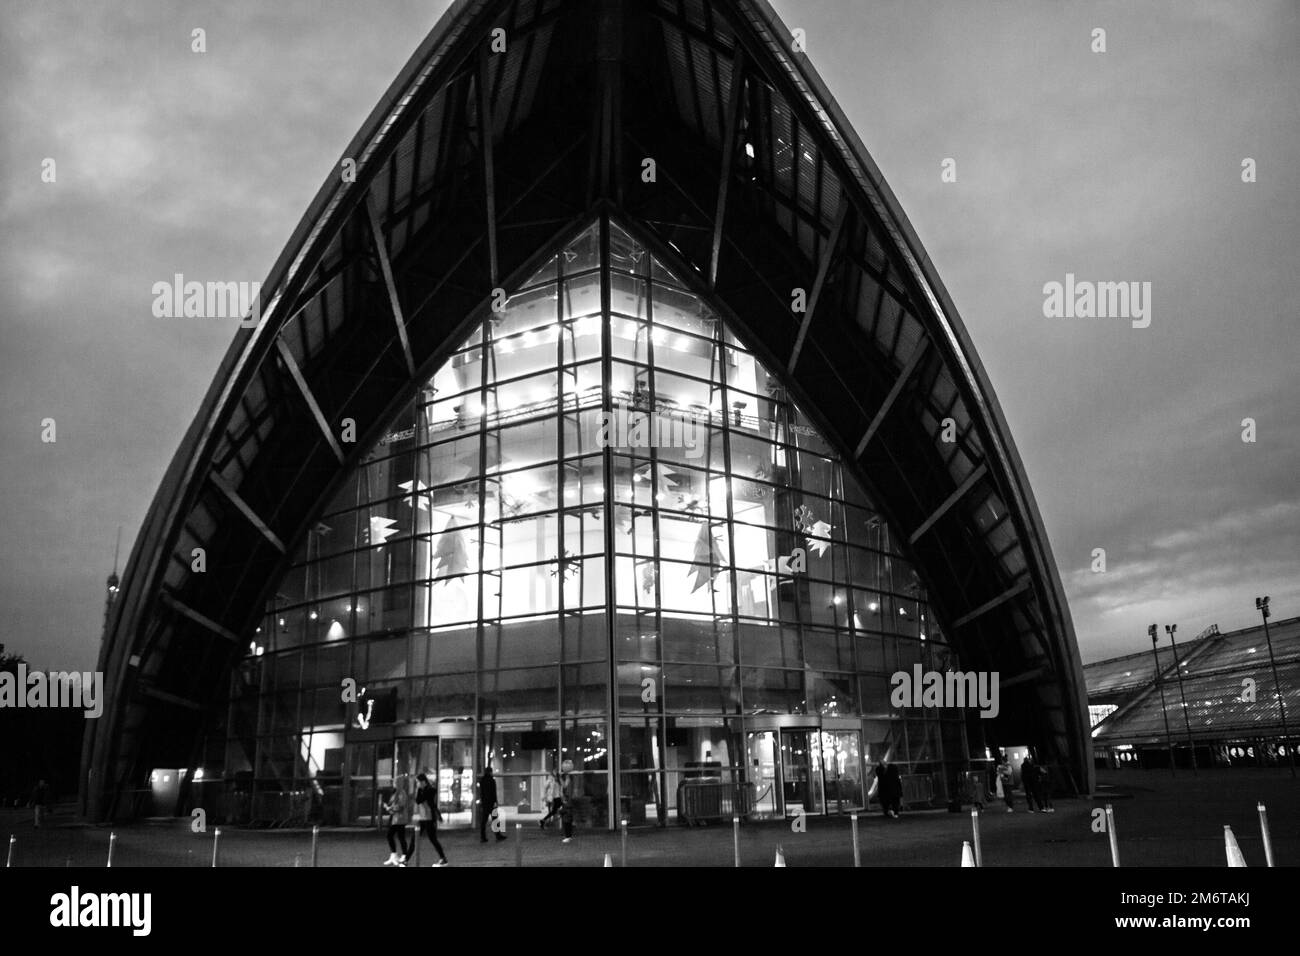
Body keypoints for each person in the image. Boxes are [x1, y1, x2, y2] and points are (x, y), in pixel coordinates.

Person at [414, 770, 448, 866]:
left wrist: (418, 790)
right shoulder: (425, 790)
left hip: (428, 818)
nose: (417, 784)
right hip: (423, 817)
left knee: (433, 839)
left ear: (423, 781)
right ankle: (406, 858)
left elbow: (419, 800)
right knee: (416, 839)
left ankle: (443, 858)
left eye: (418, 782)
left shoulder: (429, 790)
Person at [382, 777, 412, 866]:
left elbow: (400, 806)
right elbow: (395, 804)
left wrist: (389, 808)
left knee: (392, 835)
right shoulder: (397, 792)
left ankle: (399, 855)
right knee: (400, 837)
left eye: (395, 782)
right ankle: (400, 855)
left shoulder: (401, 793)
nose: (394, 784)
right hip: (396, 818)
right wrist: (389, 807)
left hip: (399, 819)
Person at [478, 765, 505, 843]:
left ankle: (483, 837)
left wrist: (482, 802)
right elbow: (493, 793)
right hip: (491, 803)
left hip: (485, 803)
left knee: (484, 821)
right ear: (490, 772)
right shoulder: (492, 780)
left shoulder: (482, 780)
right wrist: (496, 802)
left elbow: (481, 793)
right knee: (495, 820)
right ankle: (498, 835)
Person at [558, 766, 575, 843]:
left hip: (567, 802)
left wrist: (560, 778)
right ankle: (568, 836)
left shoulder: (568, 782)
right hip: (566, 802)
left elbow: (565, 786)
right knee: (566, 818)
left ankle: (568, 836)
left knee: (567, 819)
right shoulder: (568, 782)